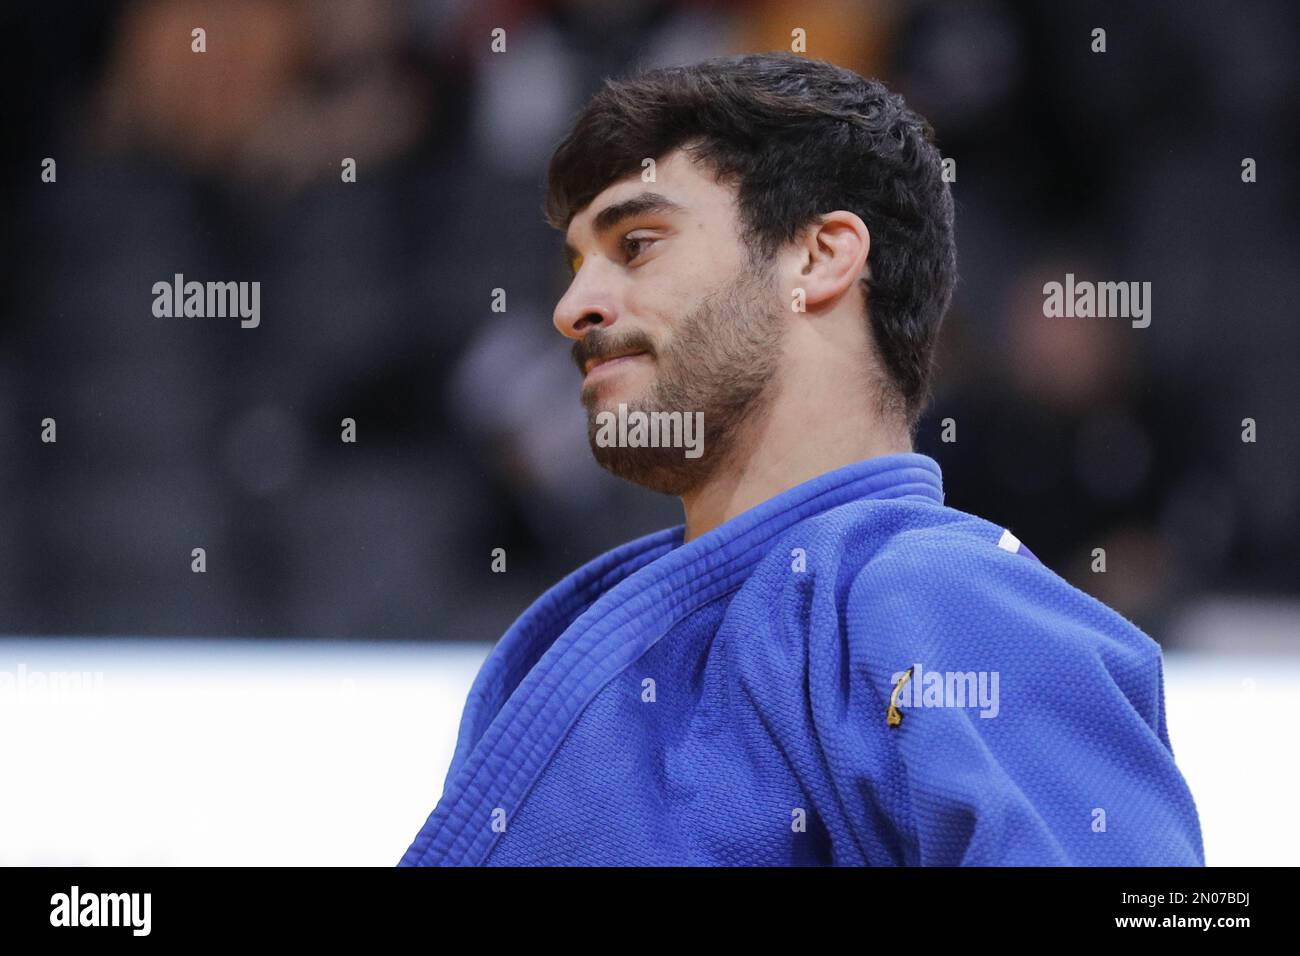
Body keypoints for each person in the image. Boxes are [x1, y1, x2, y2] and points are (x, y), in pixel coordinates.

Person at [400, 52, 1204, 866]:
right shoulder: (550, 647)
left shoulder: (938, 600)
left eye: (638, 244)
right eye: (575, 265)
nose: (573, 309)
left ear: (819, 258)